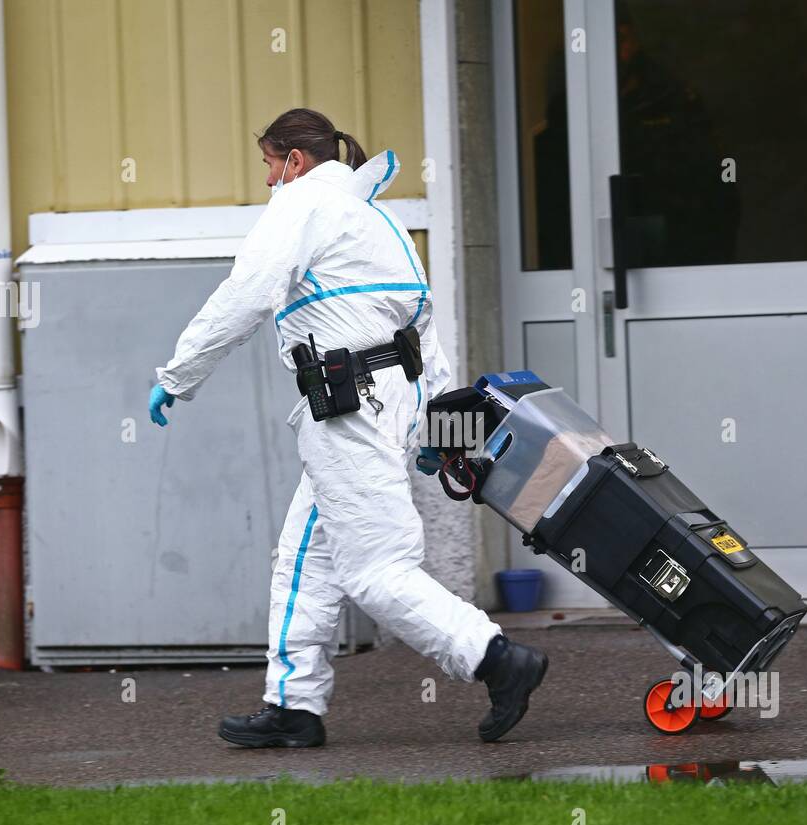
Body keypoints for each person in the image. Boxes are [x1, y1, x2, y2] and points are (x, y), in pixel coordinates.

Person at [149, 108, 547, 748]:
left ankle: (497, 659)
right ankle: (294, 707)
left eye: (268, 167)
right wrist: (442, 434)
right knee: (304, 559)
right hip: (389, 403)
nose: (269, 182)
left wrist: (178, 375)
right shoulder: (379, 217)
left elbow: (247, 292)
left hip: (347, 410)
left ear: (293, 161)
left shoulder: (302, 204)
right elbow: (424, 331)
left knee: (377, 572)